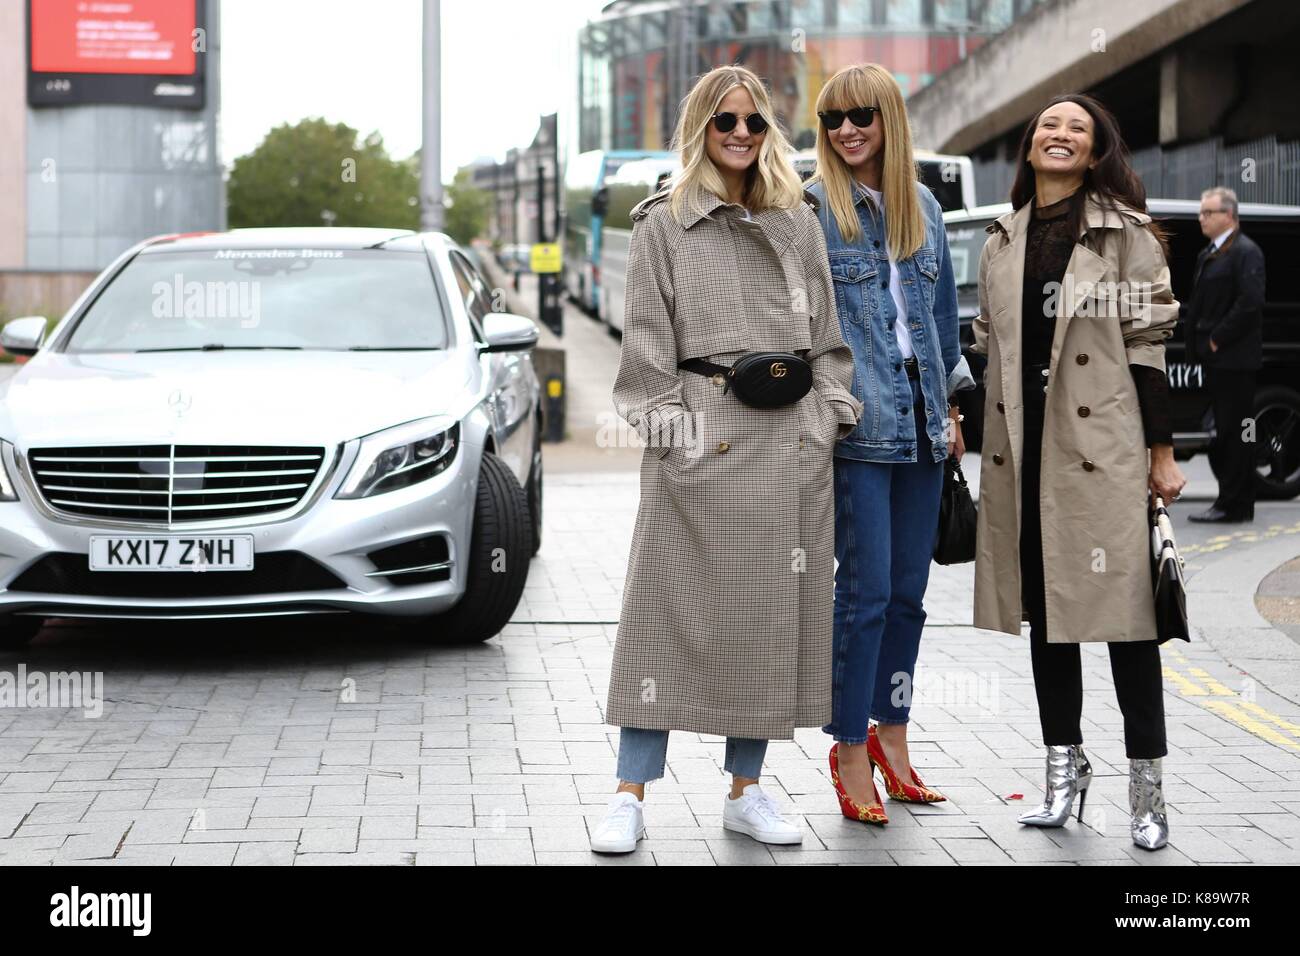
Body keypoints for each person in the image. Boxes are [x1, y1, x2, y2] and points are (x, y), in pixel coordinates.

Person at [591, 65, 862, 854]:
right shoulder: (661, 225)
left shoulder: (798, 220)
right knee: (660, 621)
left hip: (792, 448)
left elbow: (830, 343)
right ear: (700, 130)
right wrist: (677, 442)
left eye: (752, 123)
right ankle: (629, 794)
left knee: (769, 628)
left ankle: (747, 791)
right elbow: (644, 354)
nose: (740, 135)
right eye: (724, 123)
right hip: (700, 446)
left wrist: (830, 416)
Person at [971, 93, 1186, 851]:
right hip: (1026, 454)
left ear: (1095, 154)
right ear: (1030, 147)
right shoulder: (1003, 238)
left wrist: (1162, 455)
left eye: (1076, 129)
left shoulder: (1125, 235)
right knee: (1049, 623)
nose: (1058, 135)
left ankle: (1147, 791)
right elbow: (992, 349)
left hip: (1103, 452)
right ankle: (1065, 775)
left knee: (1129, 626)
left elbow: (1149, 344)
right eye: (1047, 127)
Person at [804, 64, 973, 825]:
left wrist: (953, 409)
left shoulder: (926, 207)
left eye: (861, 115)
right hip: (858, 425)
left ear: (889, 119)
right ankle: (846, 750)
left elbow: (941, 326)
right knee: (864, 597)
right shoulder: (811, 208)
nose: (846, 129)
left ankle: (892, 739)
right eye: (833, 117)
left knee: (910, 596)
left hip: (926, 422)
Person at [1184, 186, 1267, 524]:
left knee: (1234, 434)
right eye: (1201, 212)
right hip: (1217, 361)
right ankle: (1232, 500)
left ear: (1229, 216)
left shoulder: (1245, 252)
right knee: (1222, 433)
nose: (1201, 218)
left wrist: (1217, 338)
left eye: (1208, 213)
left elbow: (1250, 302)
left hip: (1234, 360)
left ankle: (1234, 505)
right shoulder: (1213, 252)